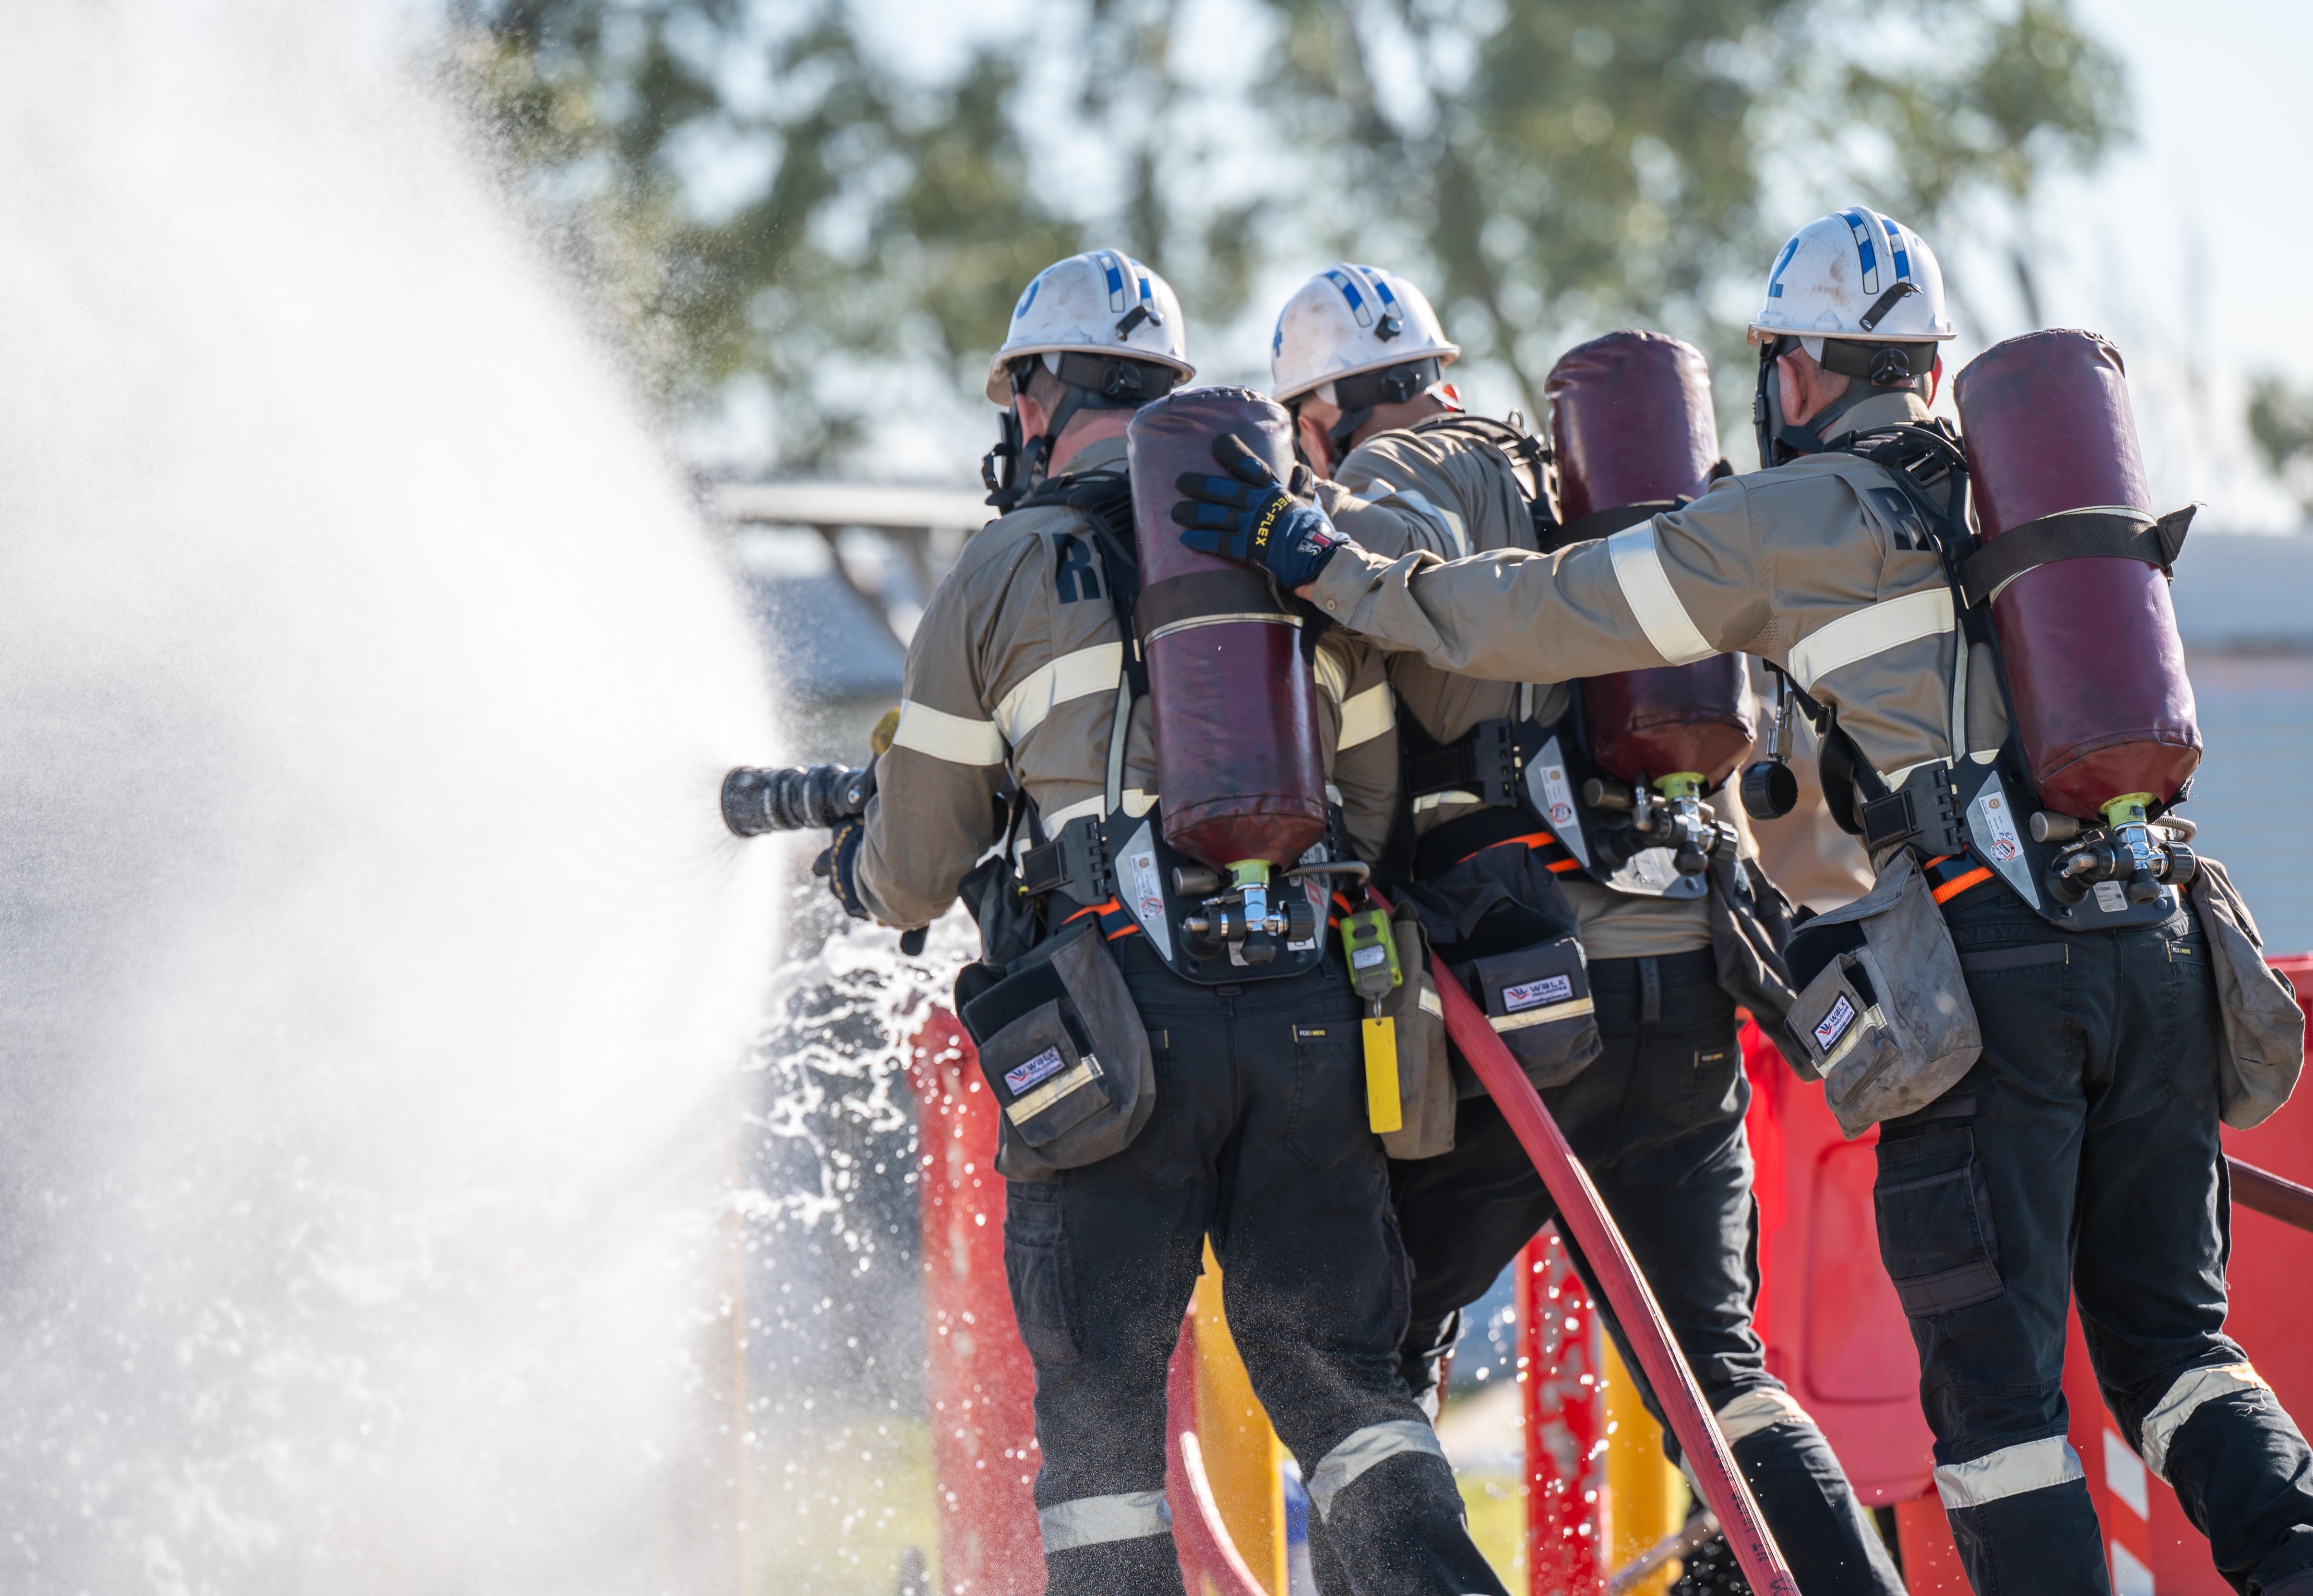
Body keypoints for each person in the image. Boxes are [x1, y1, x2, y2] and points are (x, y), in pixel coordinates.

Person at [1171, 211, 2313, 1595]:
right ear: (1933, 372)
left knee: (2002, 1421)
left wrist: (1315, 556)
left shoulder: (1791, 520)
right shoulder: (2013, 510)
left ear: (1792, 374)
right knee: (2177, 1355)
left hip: (1990, 981)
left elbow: (1543, 612)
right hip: (2163, 941)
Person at [827, 249, 1504, 1596]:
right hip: (1310, 1018)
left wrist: (853, 865)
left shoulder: (1006, 567)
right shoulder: (1277, 527)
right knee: (1347, 1389)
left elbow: (910, 871)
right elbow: (1364, 802)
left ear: (1034, 396)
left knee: (1100, 1432)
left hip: (1110, 1050)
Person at [1268, 263, 1901, 1595]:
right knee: (1714, 1364)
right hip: (1687, 985)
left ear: (1319, 410)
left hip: (1517, 1011)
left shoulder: (1394, 480)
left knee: (1367, 1360)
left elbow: (1333, 701)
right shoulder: (1585, 478)